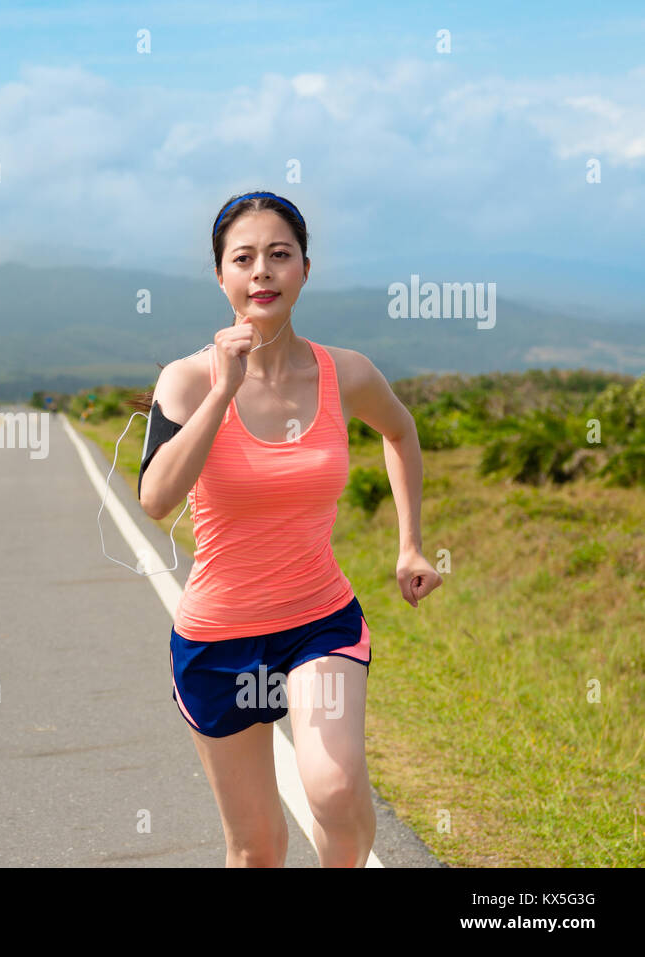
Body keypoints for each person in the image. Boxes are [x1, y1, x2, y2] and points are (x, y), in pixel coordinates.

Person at [131, 191, 442, 867]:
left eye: (280, 254)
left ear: (306, 268)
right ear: (222, 277)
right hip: (218, 639)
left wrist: (409, 542)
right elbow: (155, 497)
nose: (263, 272)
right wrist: (223, 390)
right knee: (257, 848)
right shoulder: (185, 381)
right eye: (244, 258)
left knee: (332, 789)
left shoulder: (345, 372)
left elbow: (400, 430)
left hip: (317, 621)